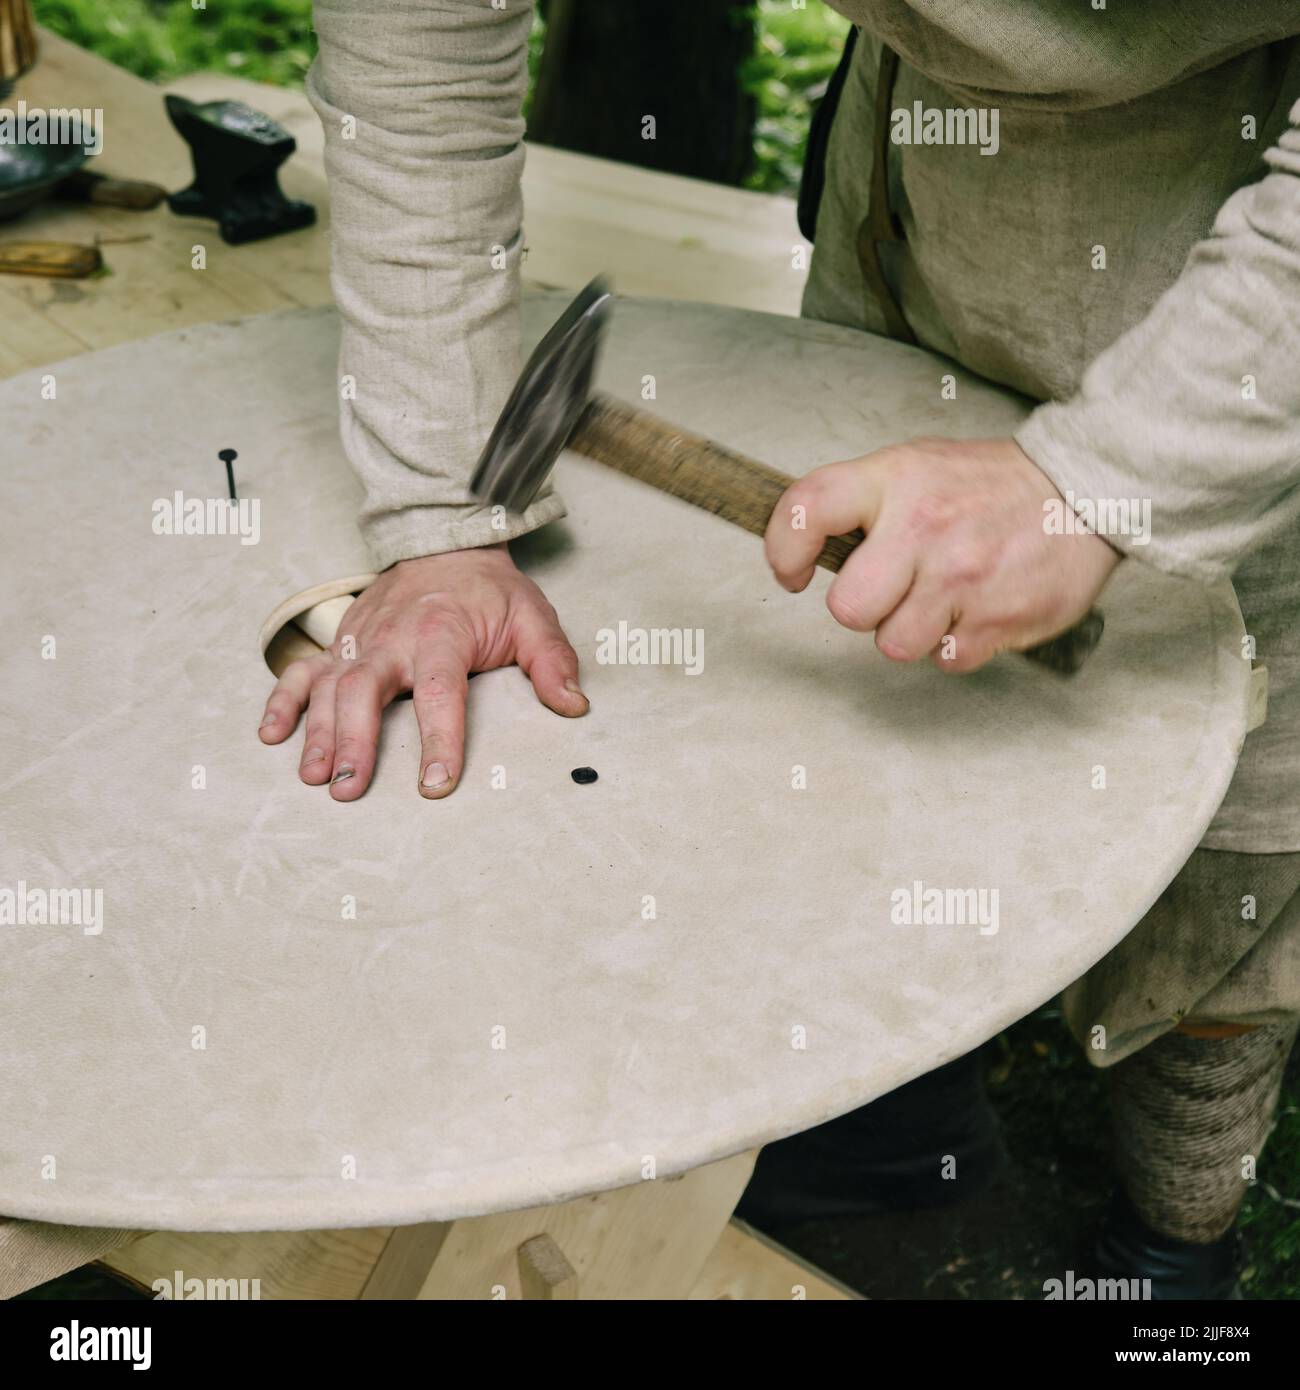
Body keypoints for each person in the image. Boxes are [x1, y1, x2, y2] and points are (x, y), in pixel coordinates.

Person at [260, 2, 1300, 1298]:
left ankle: (1178, 1231)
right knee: (888, 700)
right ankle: (894, 1122)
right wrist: (438, 502)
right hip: (926, 168)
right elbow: (417, 28)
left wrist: (1110, 479)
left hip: (1245, 191)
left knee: (1243, 795)